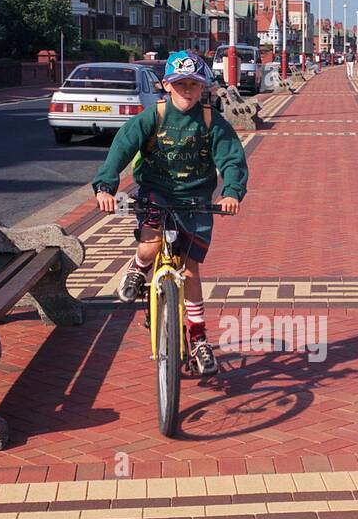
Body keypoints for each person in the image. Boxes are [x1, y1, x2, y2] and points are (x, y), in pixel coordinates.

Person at [91, 50, 249, 376]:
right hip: (156, 192)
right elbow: (122, 146)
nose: (187, 90)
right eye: (180, 84)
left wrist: (231, 192)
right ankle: (137, 270)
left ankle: (199, 339)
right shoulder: (154, 116)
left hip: (195, 198)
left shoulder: (210, 121)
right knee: (149, 246)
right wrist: (105, 186)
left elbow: (231, 158)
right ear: (166, 85)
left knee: (190, 271)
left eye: (194, 84)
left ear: (203, 87)